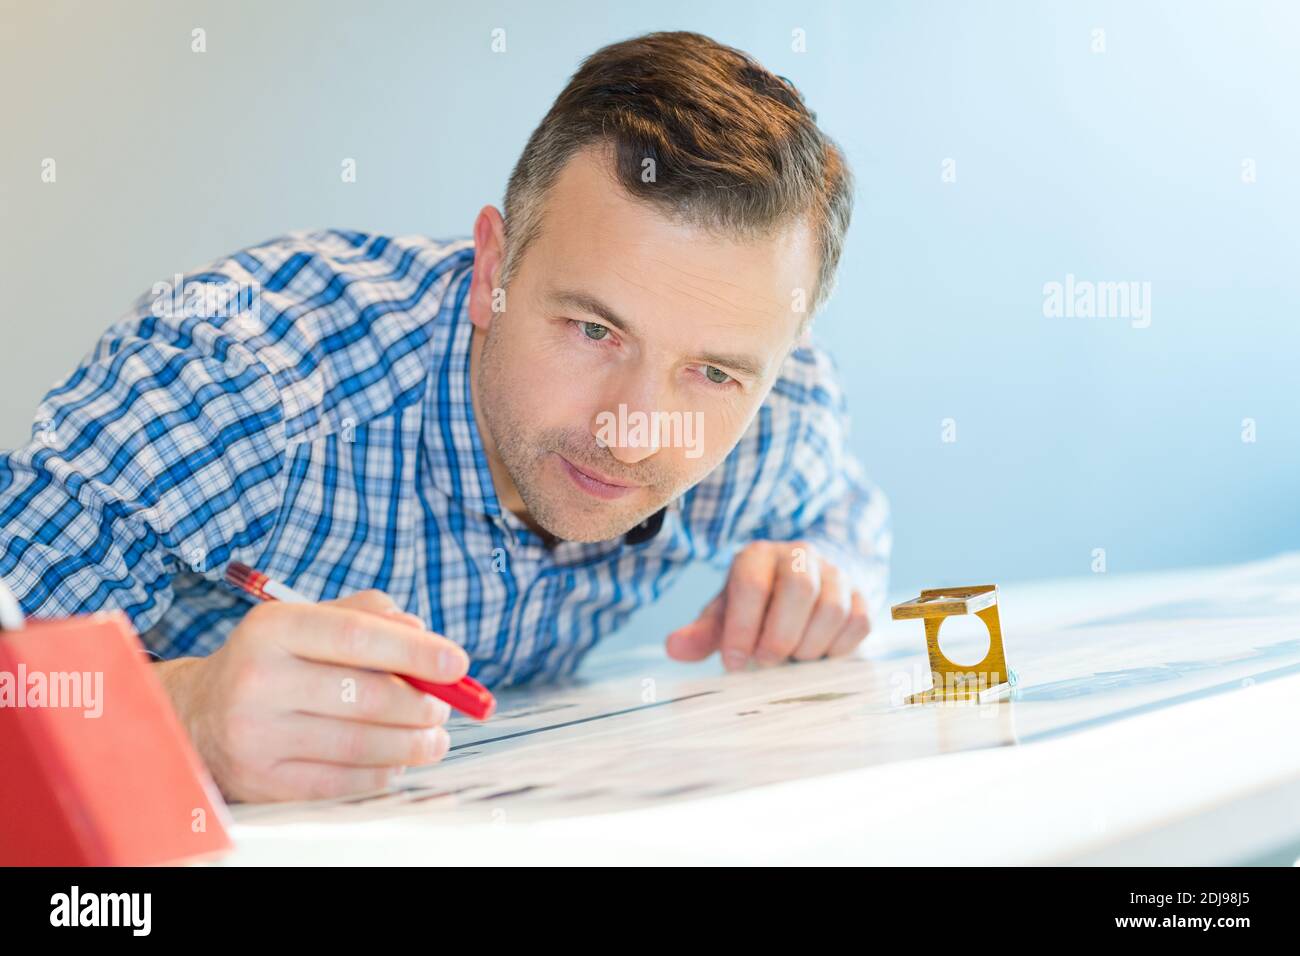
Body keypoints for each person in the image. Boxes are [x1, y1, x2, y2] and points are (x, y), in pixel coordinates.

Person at [0, 32, 890, 801]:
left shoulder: (779, 407)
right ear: (490, 270)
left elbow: (836, 521)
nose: (637, 428)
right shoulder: (241, 379)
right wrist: (186, 715)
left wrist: (823, 579)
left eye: (711, 372)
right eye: (593, 328)